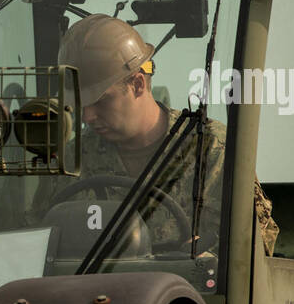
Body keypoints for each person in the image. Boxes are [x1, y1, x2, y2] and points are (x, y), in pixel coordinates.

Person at [29, 14, 279, 256]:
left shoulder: (212, 149)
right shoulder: (72, 162)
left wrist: (209, 257)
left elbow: (258, 246)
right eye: (81, 103)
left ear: (137, 84)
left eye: (101, 101)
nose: (87, 117)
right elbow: (35, 245)